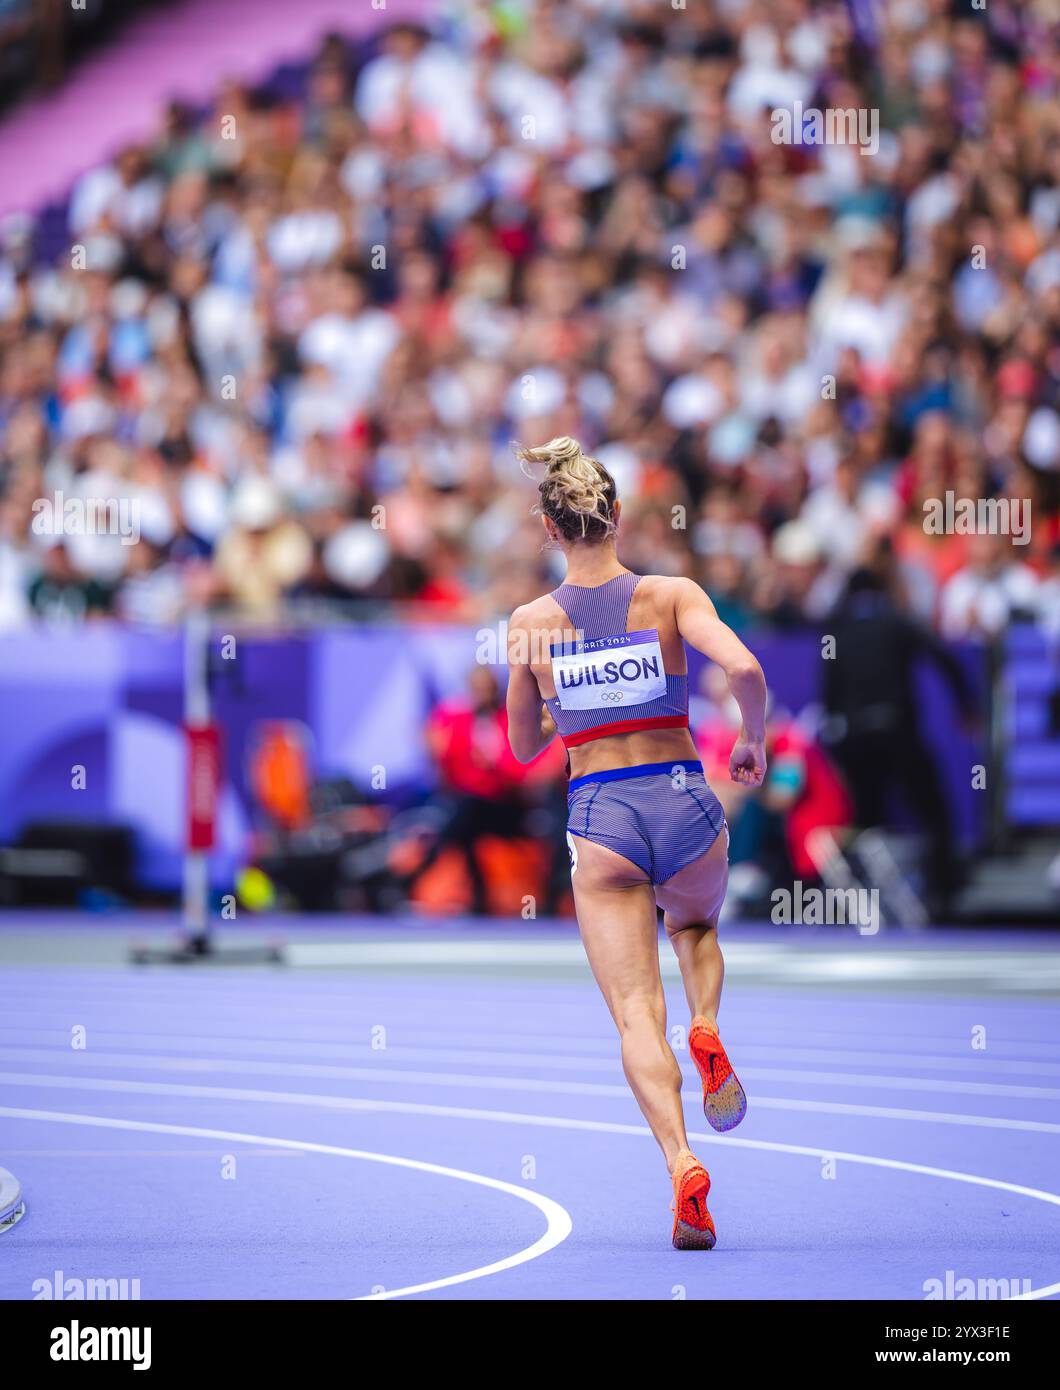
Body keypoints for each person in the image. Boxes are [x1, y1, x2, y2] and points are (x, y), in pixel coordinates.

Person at [505, 436, 767, 1250]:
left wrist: (562, 710)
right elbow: (747, 670)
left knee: (631, 1012)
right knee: (692, 929)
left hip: (603, 818)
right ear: (617, 516)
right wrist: (752, 742)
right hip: (686, 798)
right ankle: (710, 1022)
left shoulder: (530, 624)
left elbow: (518, 746)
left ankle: (682, 1163)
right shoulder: (671, 594)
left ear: (550, 531)